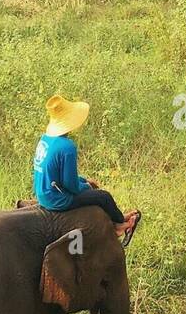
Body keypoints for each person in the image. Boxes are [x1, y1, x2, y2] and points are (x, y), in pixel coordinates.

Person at [32, 95, 139, 241]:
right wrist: (86, 185)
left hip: (43, 194)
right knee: (103, 196)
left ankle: (118, 217)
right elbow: (71, 186)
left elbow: (59, 177)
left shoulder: (45, 139)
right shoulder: (67, 147)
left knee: (92, 189)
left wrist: (83, 181)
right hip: (57, 199)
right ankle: (119, 224)